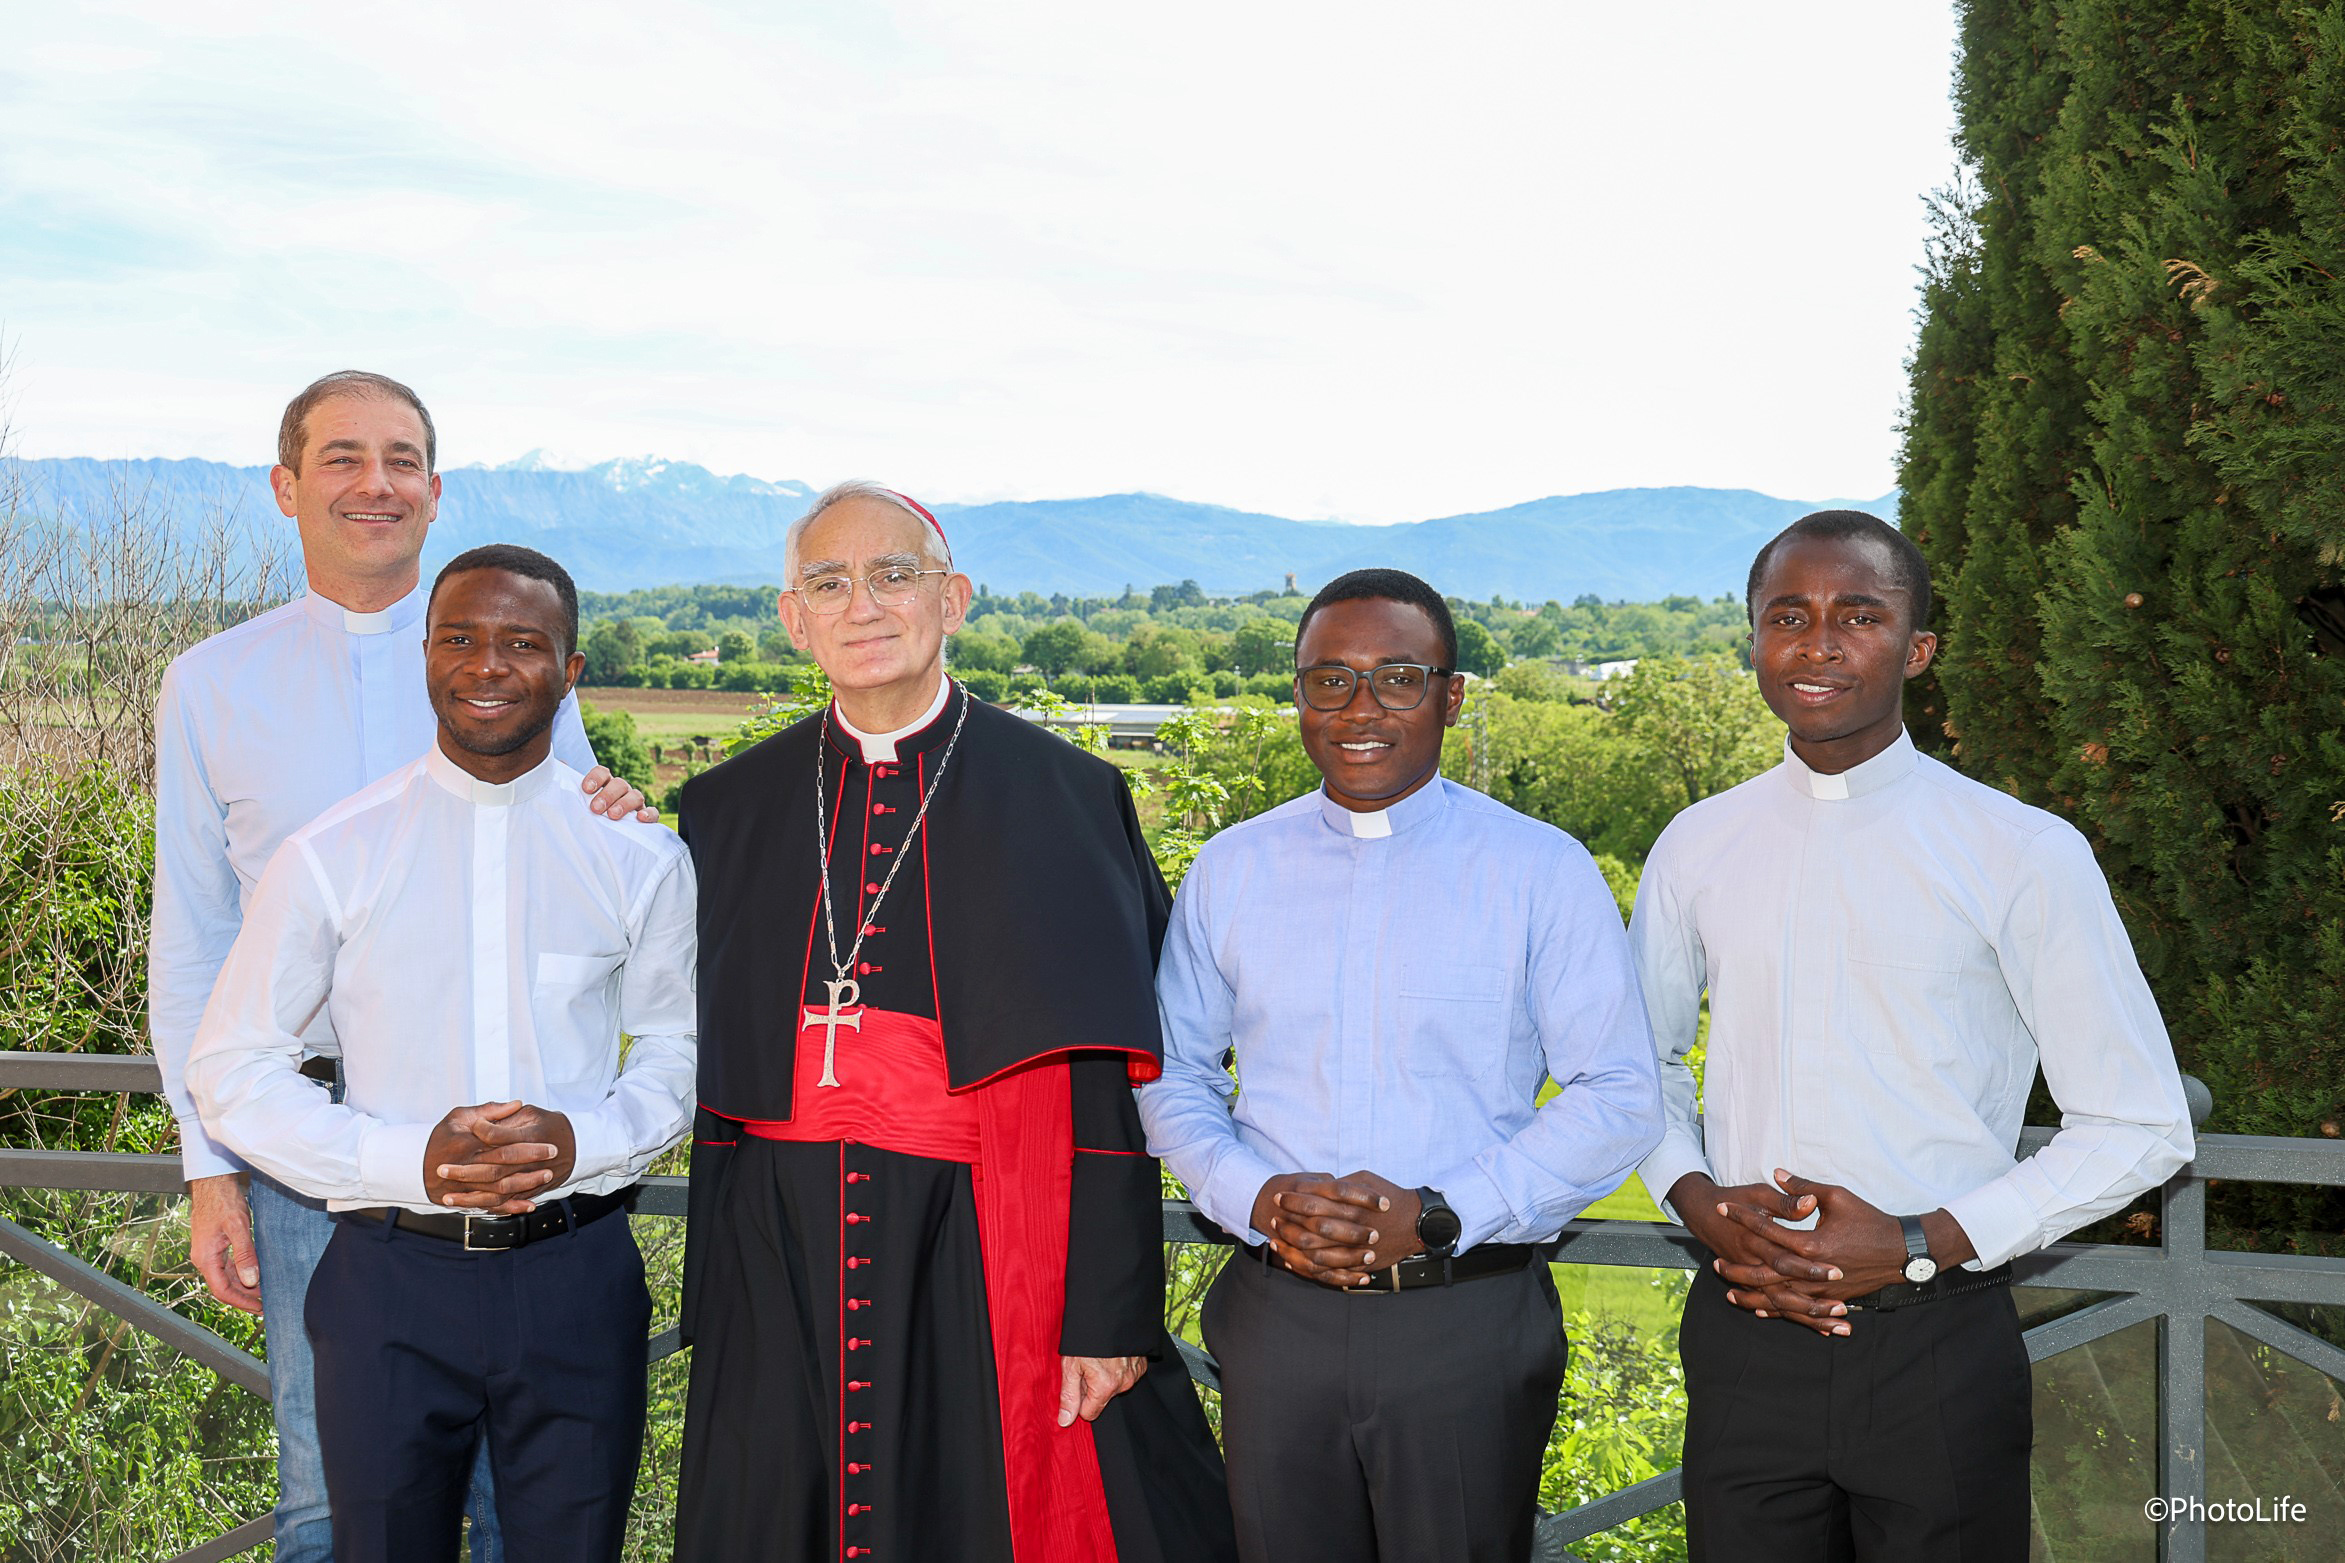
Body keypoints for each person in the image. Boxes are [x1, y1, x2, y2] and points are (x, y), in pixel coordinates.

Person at [672, 481, 1234, 1563]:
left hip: (981, 1237)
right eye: (827, 583)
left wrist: (1108, 1308)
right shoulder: (725, 806)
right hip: (778, 1250)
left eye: (893, 575)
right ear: (792, 619)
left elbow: (1115, 1077)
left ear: (953, 599)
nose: (862, 605)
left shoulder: (1067, 797)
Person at [149, 371, 649, 1561]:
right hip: (311, 1148)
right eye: (341, 458)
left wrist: (620, 818)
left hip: (506, 1129)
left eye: (401, 460)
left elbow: (588, 876)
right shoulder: (212, 682)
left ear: (434, 492)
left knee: (514, 1507)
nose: (375, 484)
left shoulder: (510, 661)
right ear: (287, 487)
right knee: (333, 1508)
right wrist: (206, 1162)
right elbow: (194, 939)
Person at [1633, 510, 2195, 1562]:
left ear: (1916, 649)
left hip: (1936, 1343)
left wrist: (1913, 1243)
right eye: (1786, 616)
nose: (1817, 643)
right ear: (1751, 639)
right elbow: (1638, 1066)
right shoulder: (1694, 845)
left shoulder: (2021, 852)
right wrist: (1700, 1204)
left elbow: (2140, 1124)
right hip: (1742, 1331)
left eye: (1858, 615)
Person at [1139, 567, 1666, 1563]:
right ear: (1297, 694)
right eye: (1327, 680)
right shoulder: (1233, 868)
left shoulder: (1538, 868)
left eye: (1396, 677)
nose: (1359, 709)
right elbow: (1170, 1070)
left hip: (1462, 1320)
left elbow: (1618, 1091)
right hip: (1272, 1316)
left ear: (1451, 695)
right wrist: (1258, 1198)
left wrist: (1437, 1211)